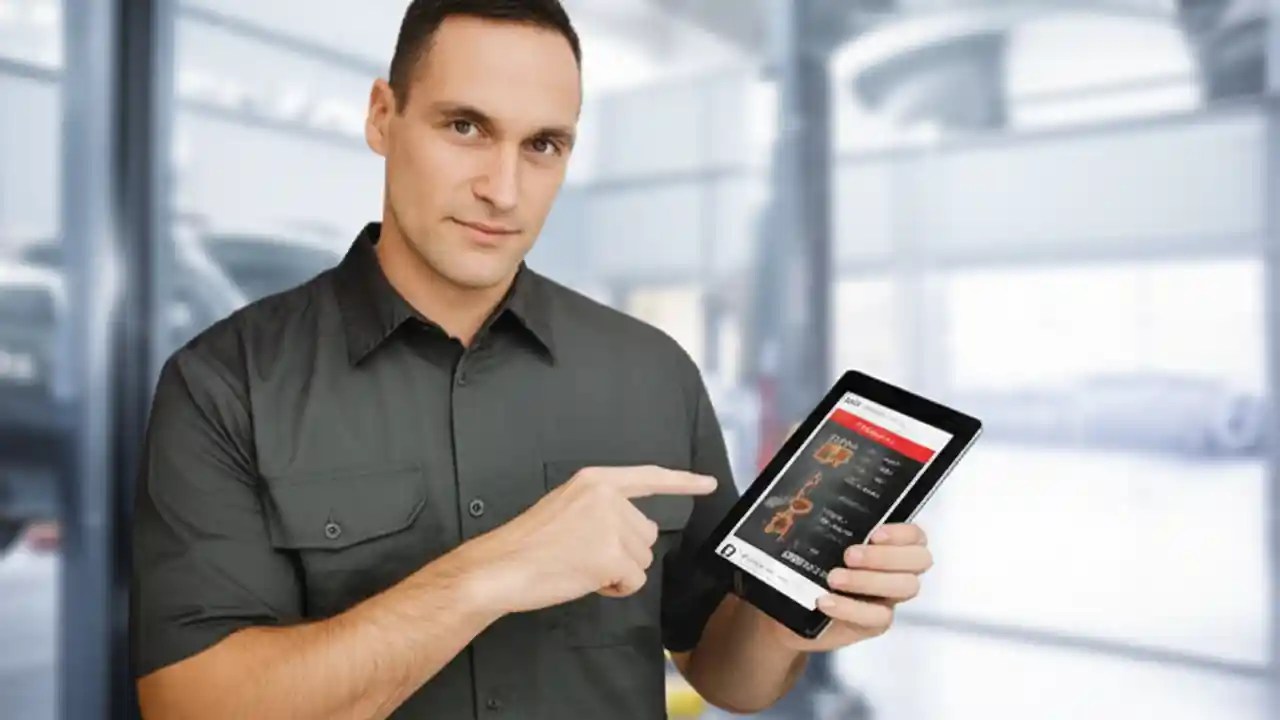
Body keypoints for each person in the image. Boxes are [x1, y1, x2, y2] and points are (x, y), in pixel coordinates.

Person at [129, 1, 936, 717]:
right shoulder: (225, 383)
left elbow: (726, 676)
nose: (504, 190)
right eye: (465, 127)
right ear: (382, 116)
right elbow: (193, 705)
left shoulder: (651, 372)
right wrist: (490, 574)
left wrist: (788, 612)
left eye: (544, 144)